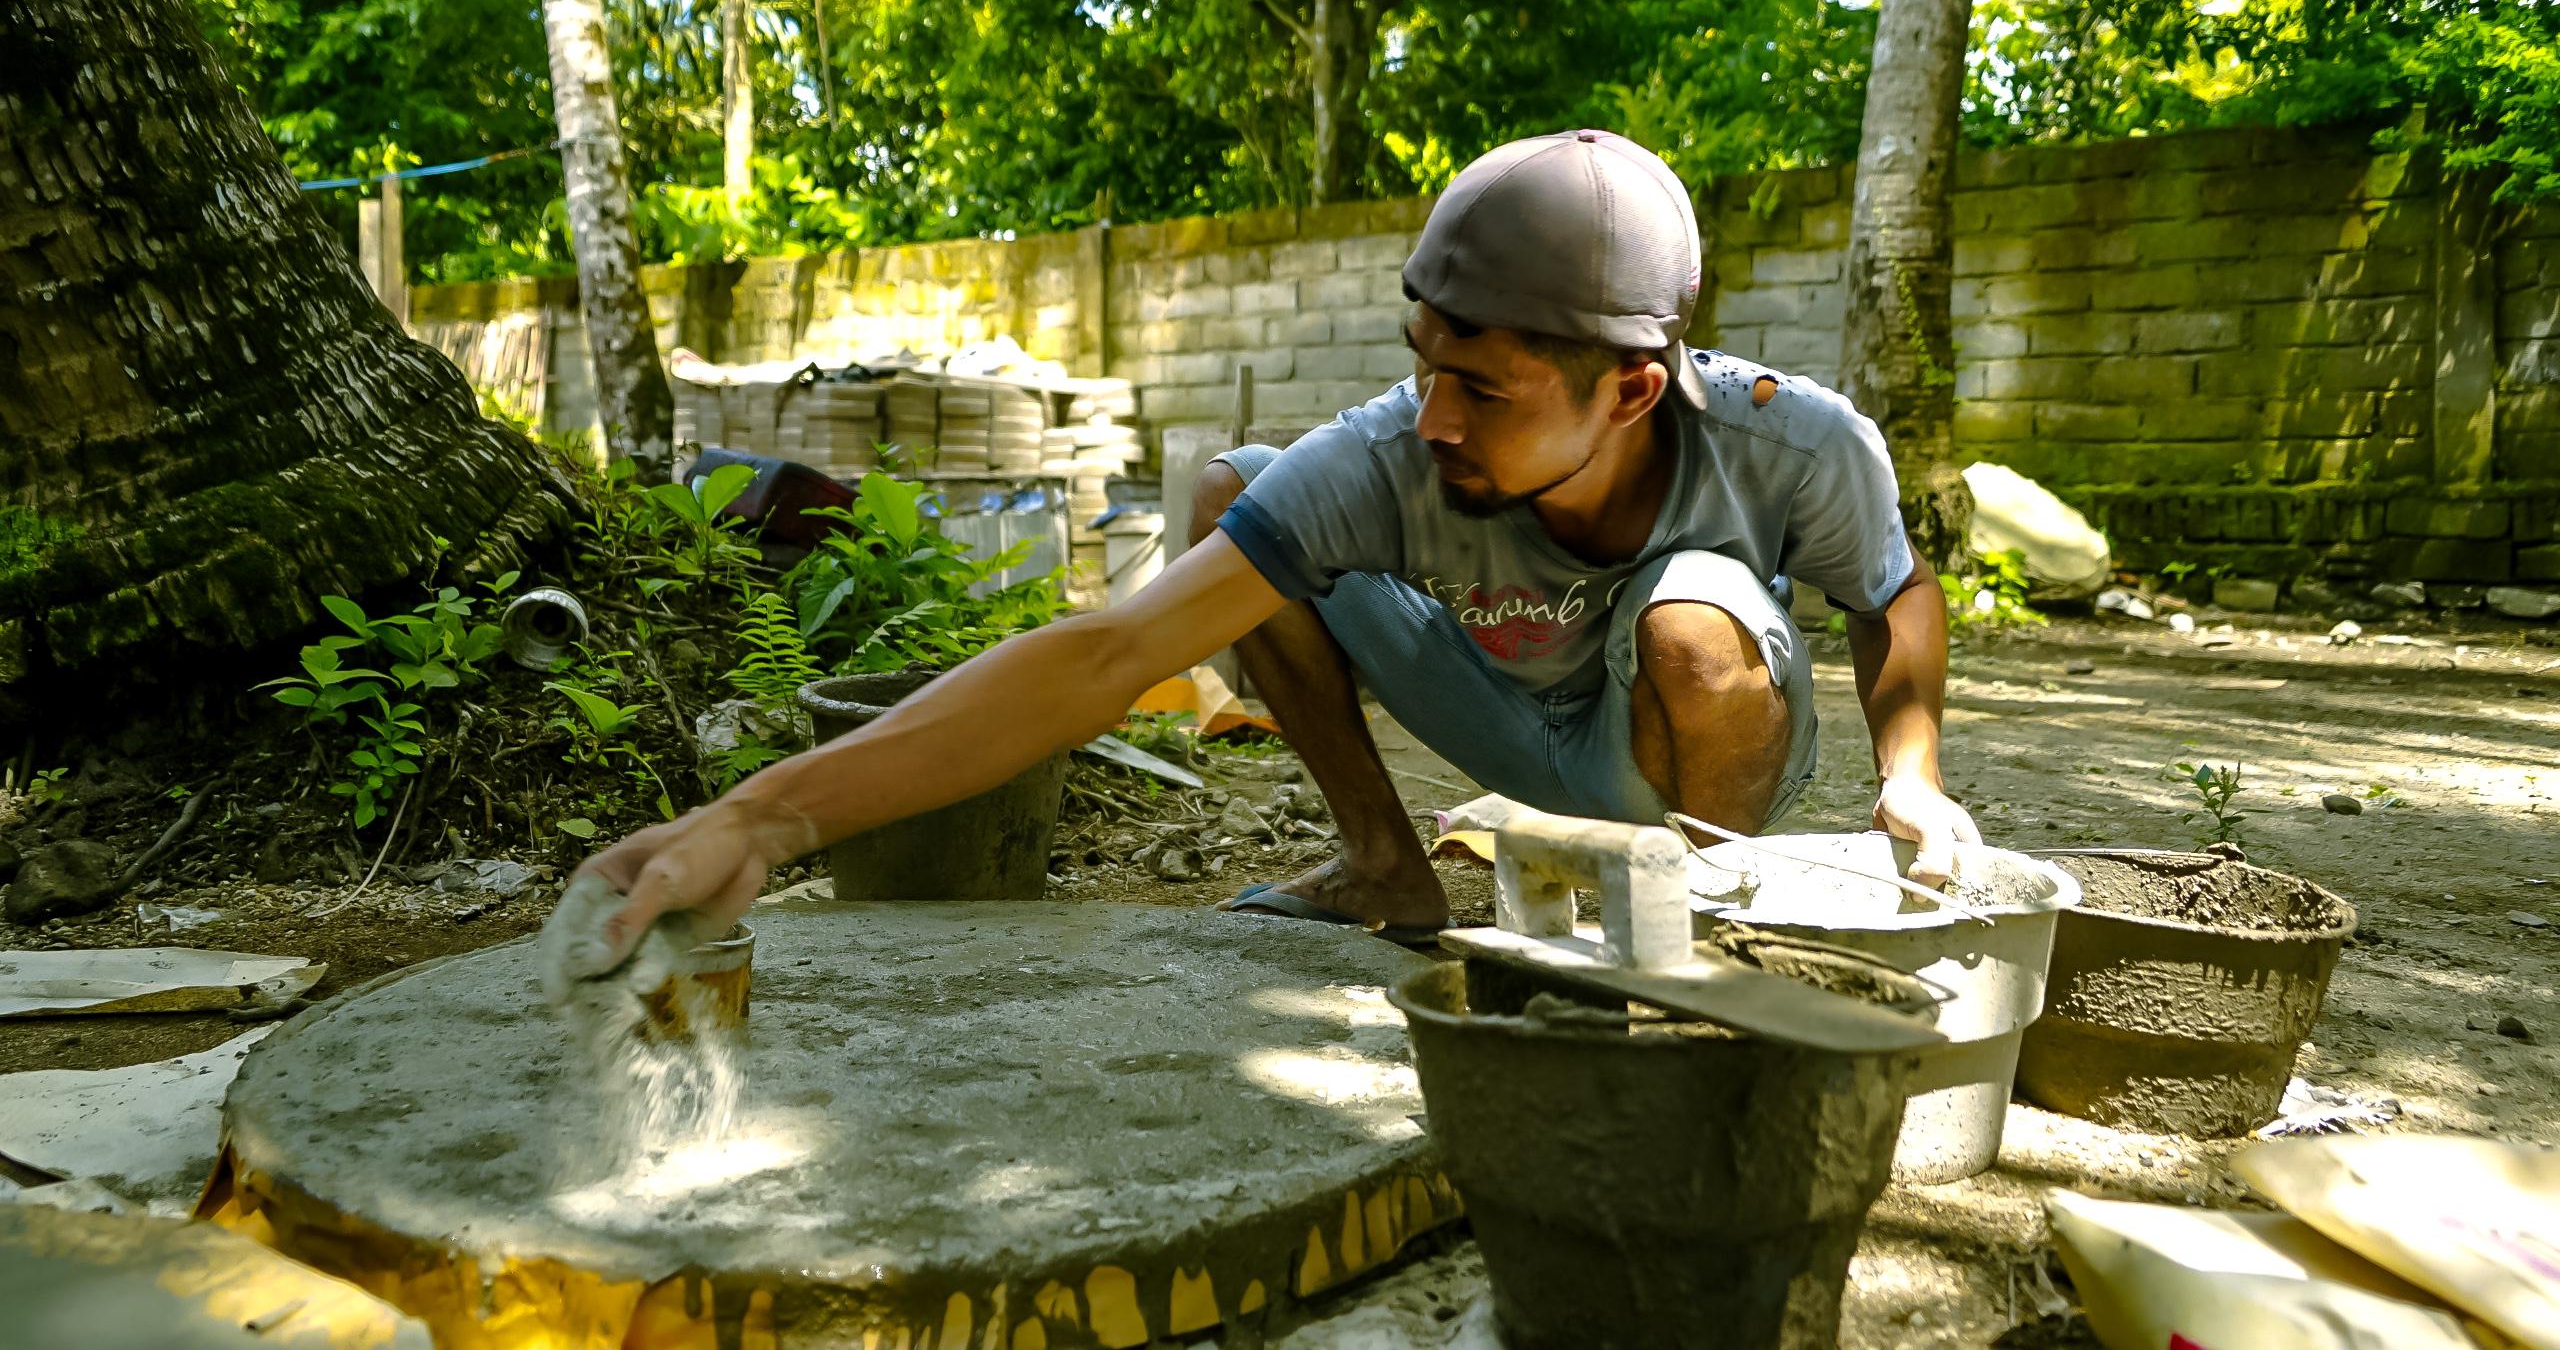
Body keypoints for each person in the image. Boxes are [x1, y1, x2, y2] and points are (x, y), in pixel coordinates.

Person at [570, 129, 1979, 961]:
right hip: (1504, 716)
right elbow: (1109, 650)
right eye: (1422, 361)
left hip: (1669, 743)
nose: (1430, 416)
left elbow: (1891, 591)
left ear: (1629, 388)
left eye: (1480, 387)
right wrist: (756, 815)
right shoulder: (1390, 454)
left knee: (1698, 616)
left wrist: (1909, 778)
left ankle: (1692, 912)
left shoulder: (1798, 440)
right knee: (1243, 487)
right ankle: (1383, 863)